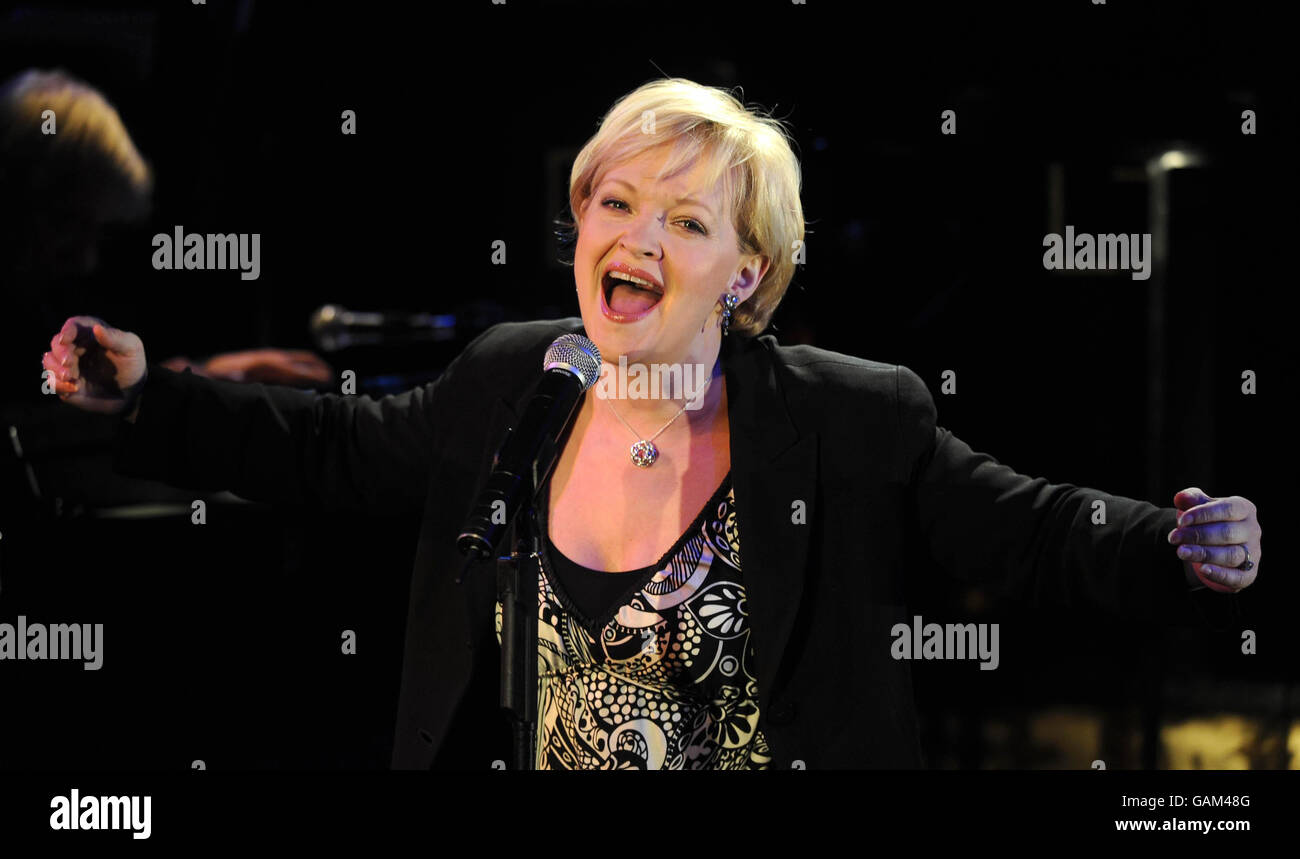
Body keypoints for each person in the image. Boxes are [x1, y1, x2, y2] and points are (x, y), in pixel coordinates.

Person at [43, 78, 1262, 770]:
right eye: (615, 204)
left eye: (684, 221)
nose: (635, 239)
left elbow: (1030, 530)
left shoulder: (843, 416)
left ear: (743, 270)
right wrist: (152, 392)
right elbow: (333, 447)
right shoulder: (514, 382)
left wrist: (1171, 542)